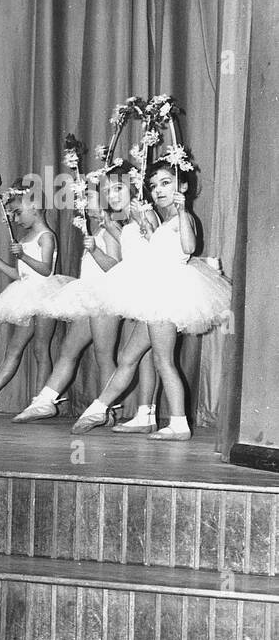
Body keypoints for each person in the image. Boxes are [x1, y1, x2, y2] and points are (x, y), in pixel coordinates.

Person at [72, 157, 232, 441]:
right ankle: (97, 408)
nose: (158, 190)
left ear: (182, 187)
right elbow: (153, 254)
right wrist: (146, 233)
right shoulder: (164, 221)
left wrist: (183, 213)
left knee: (163, 360)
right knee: (128, 356)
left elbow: (189, 247)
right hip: (155, 294)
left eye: (166, 183)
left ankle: (179, 424)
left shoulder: (184, 218)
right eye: (154, 185)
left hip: (167, 295)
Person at [12, 161, 158, 427]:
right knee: (69, 349)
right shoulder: (104, 227)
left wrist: (95, 250)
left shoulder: (112, 228)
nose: (82, 202)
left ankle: (108, 410)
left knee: (104, 356)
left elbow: (115, 267)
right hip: (91, 296)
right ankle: (45, 400)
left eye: (87, 197)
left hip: (105, 297)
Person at [0, 181, 73, 417]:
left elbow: (46, 270)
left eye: (18, 213)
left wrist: (23, 256)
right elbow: (19, 275)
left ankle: (41, 403)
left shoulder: (46, 236)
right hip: (27, 296)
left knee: (41, 349)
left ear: (35, 207)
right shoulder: (27, 237)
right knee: (14, 348)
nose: (16, 220)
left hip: (45, 296)